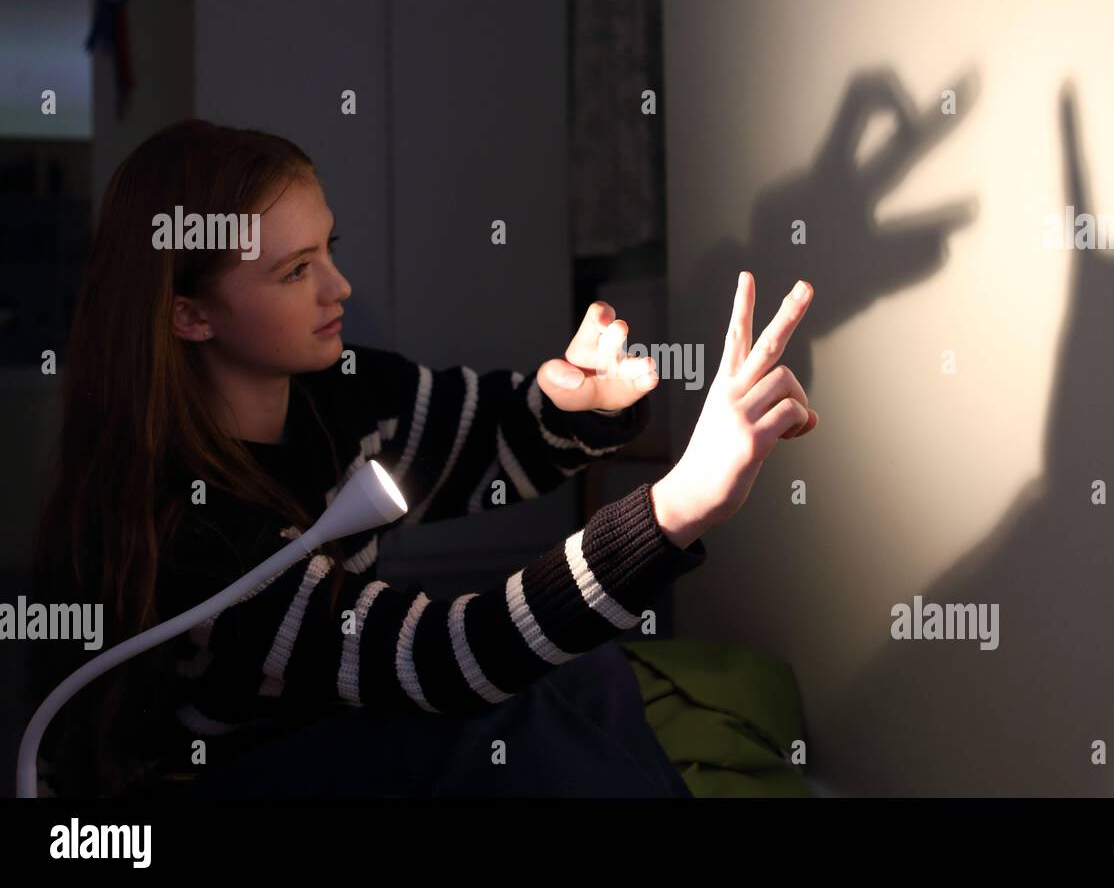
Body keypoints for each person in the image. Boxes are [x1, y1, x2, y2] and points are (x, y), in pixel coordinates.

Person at [26, 119, 819, 797]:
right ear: (191, 315)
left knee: (591, 675)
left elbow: (495, 443)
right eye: (296, 271)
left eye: (328, 249)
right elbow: (445, 659)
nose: (338, 287)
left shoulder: (343, 389)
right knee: (505, 719)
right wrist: (674, 508)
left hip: (337, 725)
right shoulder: (194, 527)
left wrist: (580, 402)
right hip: (228, 776)